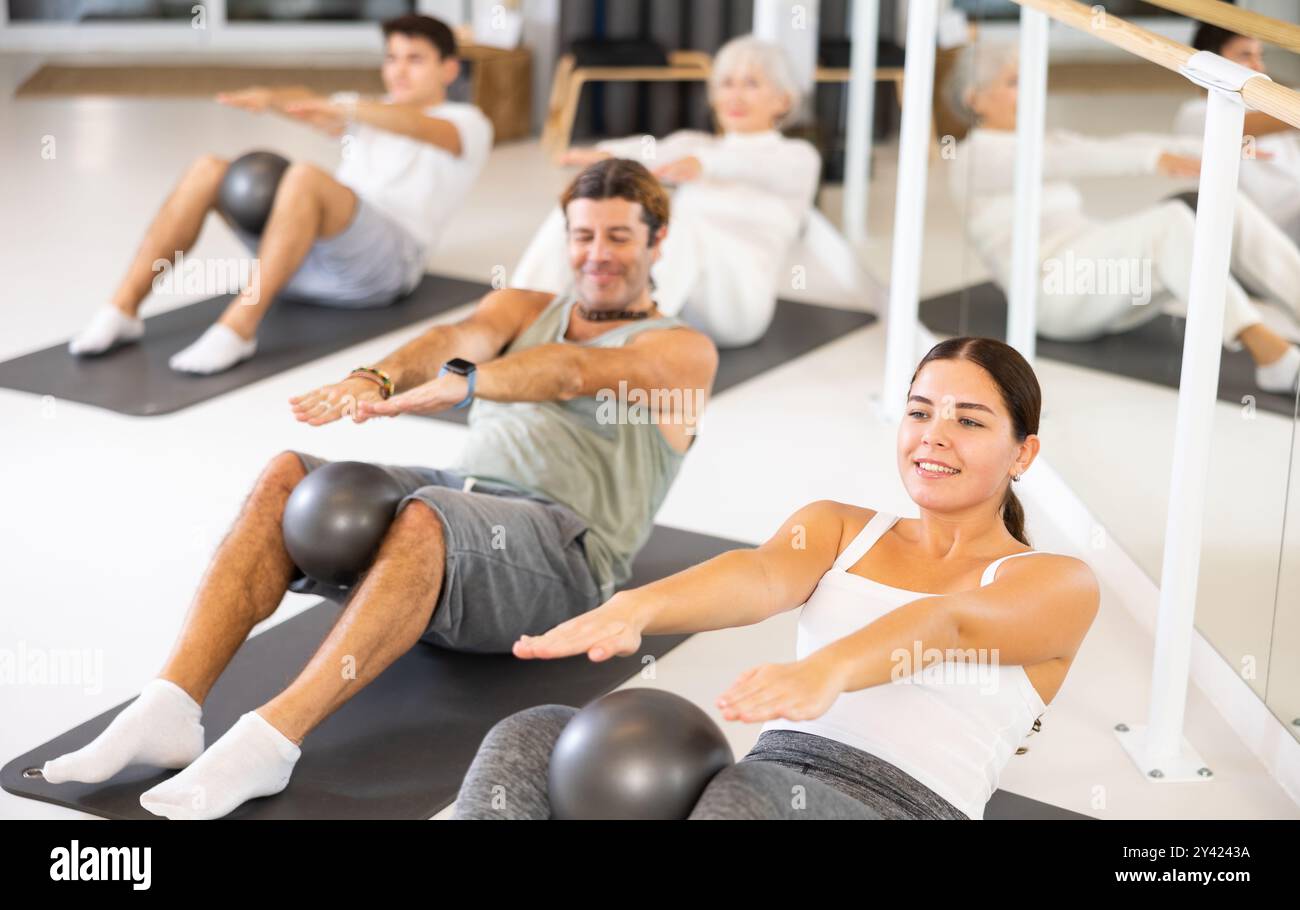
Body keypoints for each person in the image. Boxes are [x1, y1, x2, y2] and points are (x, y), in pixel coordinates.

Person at [39, 158, 719, 820]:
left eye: (619, 237)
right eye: (583, 235)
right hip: (464, 495)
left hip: (568, 551)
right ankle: (170, 706)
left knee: (430, 517)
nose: (597, 254)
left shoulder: (682, 351)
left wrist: (471, 381)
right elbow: (453, 334)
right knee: (290, 475)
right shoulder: (523, 308)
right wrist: (378, 378)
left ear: (657, 240)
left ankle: (270, 742)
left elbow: (574, 372)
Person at [452, 336, 1100, 820]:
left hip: (902, 805)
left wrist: (831, 670)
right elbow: (760, 574)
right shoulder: (841, 527)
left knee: (747, 797)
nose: (934, 436)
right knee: (538, 735)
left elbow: (949, 624)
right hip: (765, 784)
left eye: (969, 420)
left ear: (1023, 452)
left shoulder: (1057, 584)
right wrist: (636, 608)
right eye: (920, 411)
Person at [68, 14, 493, 375]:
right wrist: (272, 98)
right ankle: (121, 311)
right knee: (208, 169)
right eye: (392, 58)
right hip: (306, 260)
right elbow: (312, 101)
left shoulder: (467, 121)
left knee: (306, 176)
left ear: (449, 70)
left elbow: (418, 127)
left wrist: (346, 108)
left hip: (379, 272)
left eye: (415, 60)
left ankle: (237, 330)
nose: (399, 71)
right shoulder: (368, 110)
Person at [944, 42, 1300, 394]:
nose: (1029, 90)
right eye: (1013, 82)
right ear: (974, 99)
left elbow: (1115, 143)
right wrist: (1154, 160)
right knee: (1171, 222)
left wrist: (1215, 148)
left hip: (1094, 281)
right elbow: (1084, 158)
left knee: (1224, 205)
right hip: (1053, 292)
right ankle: (1273, 357)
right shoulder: (972, 160)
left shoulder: (1042, 140)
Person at [512, 35, 824, 348]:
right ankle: (518, 315)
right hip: (680, 298)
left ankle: (618, 345)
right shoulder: (695, 143)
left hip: (738, 307)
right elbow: (651, 151)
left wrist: (701, 164)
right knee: (584, 205)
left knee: (671, 225)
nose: (735, 96)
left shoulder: (797, 156)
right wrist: (604, 154)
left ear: (783, 100)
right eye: (727, 84)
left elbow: (745, 164)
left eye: (752, 84)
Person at [1173, 23, 1300, 245]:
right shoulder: (1194, 114)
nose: (1258, 65)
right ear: (1212, 62)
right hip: (1261, 230)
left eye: (1260, 56)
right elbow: (1244, 126)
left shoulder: (1274, 114)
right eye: (1245, 55)